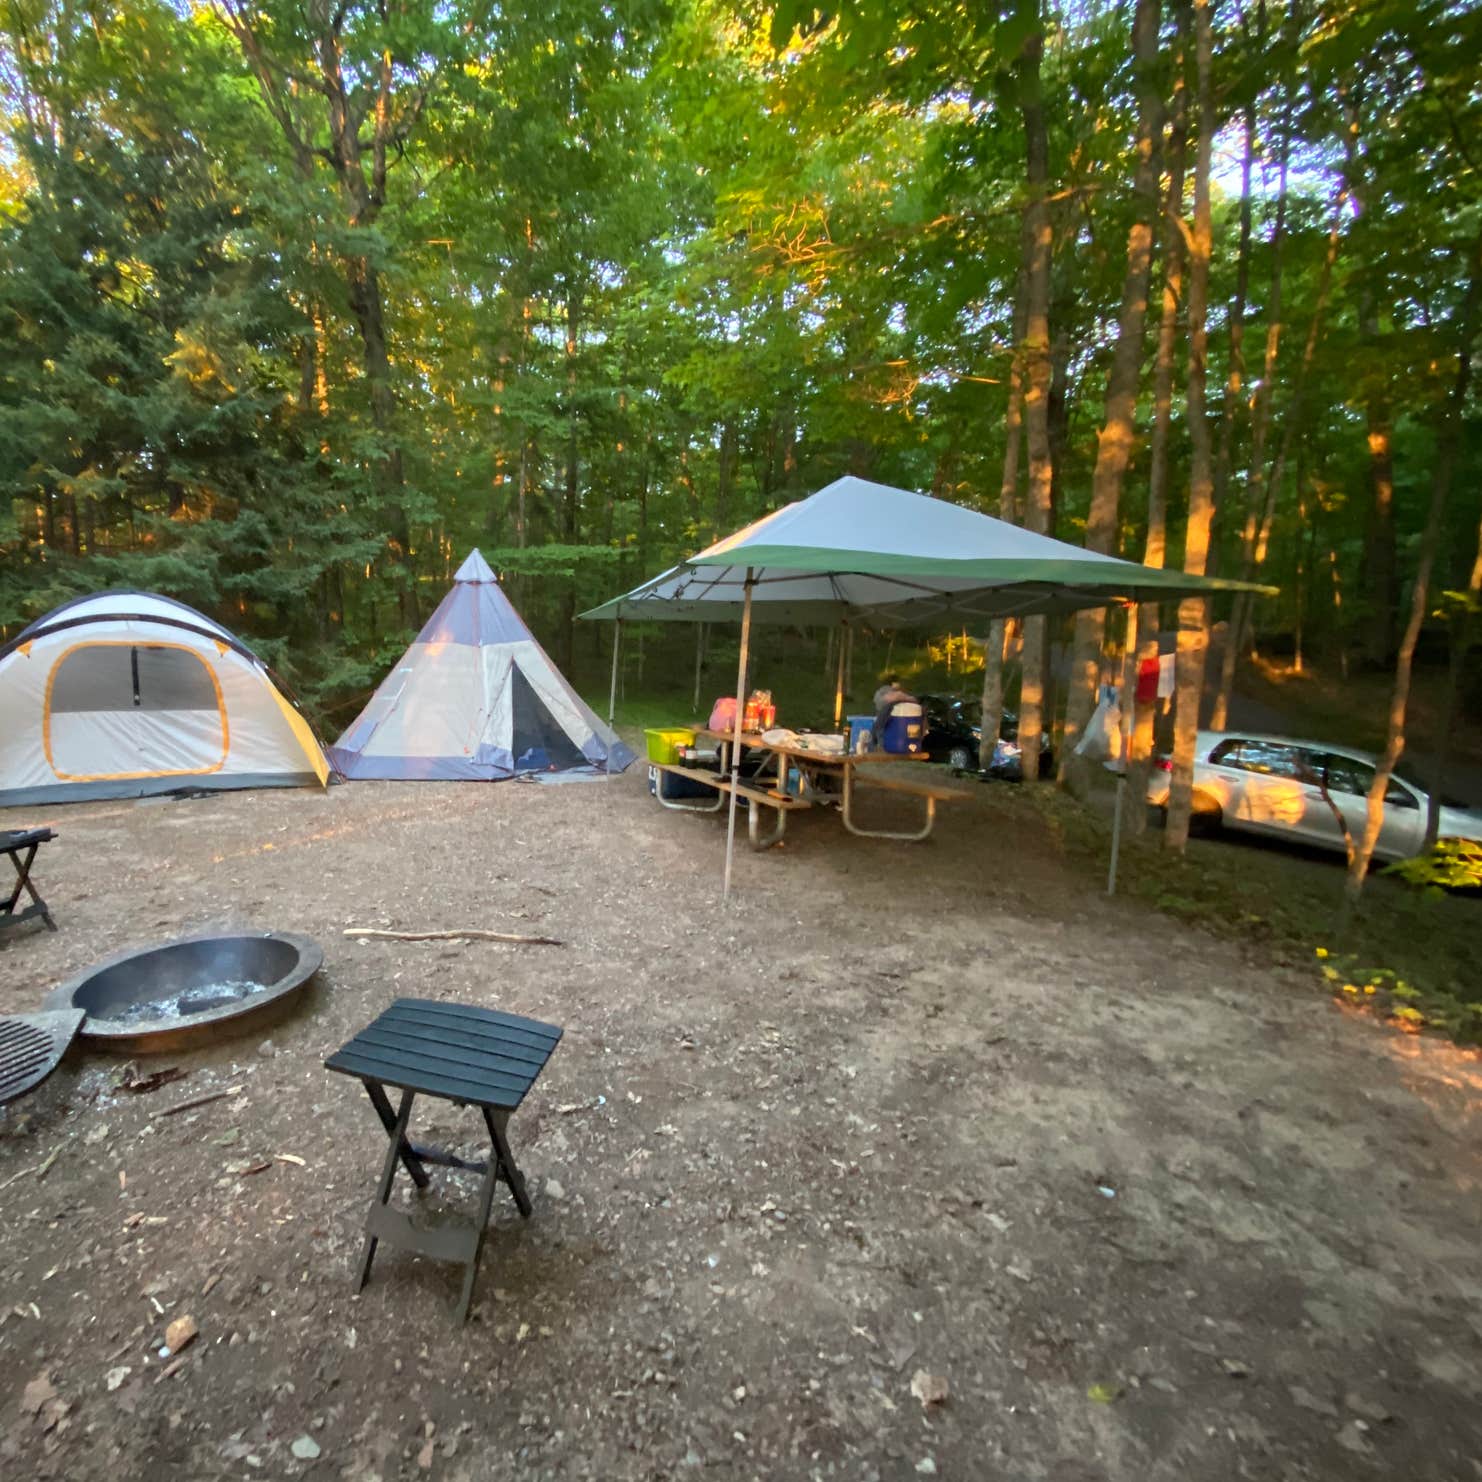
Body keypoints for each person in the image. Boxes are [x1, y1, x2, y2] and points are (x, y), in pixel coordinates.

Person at [871, 673, 916, 746]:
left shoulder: (881, 691)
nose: (900, 684)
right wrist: (908, 698)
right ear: (893, 683)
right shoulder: (887, 690)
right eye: (898, 682)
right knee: (881, 731)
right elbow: (895, 697)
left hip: (884, 719)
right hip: (884, 719)